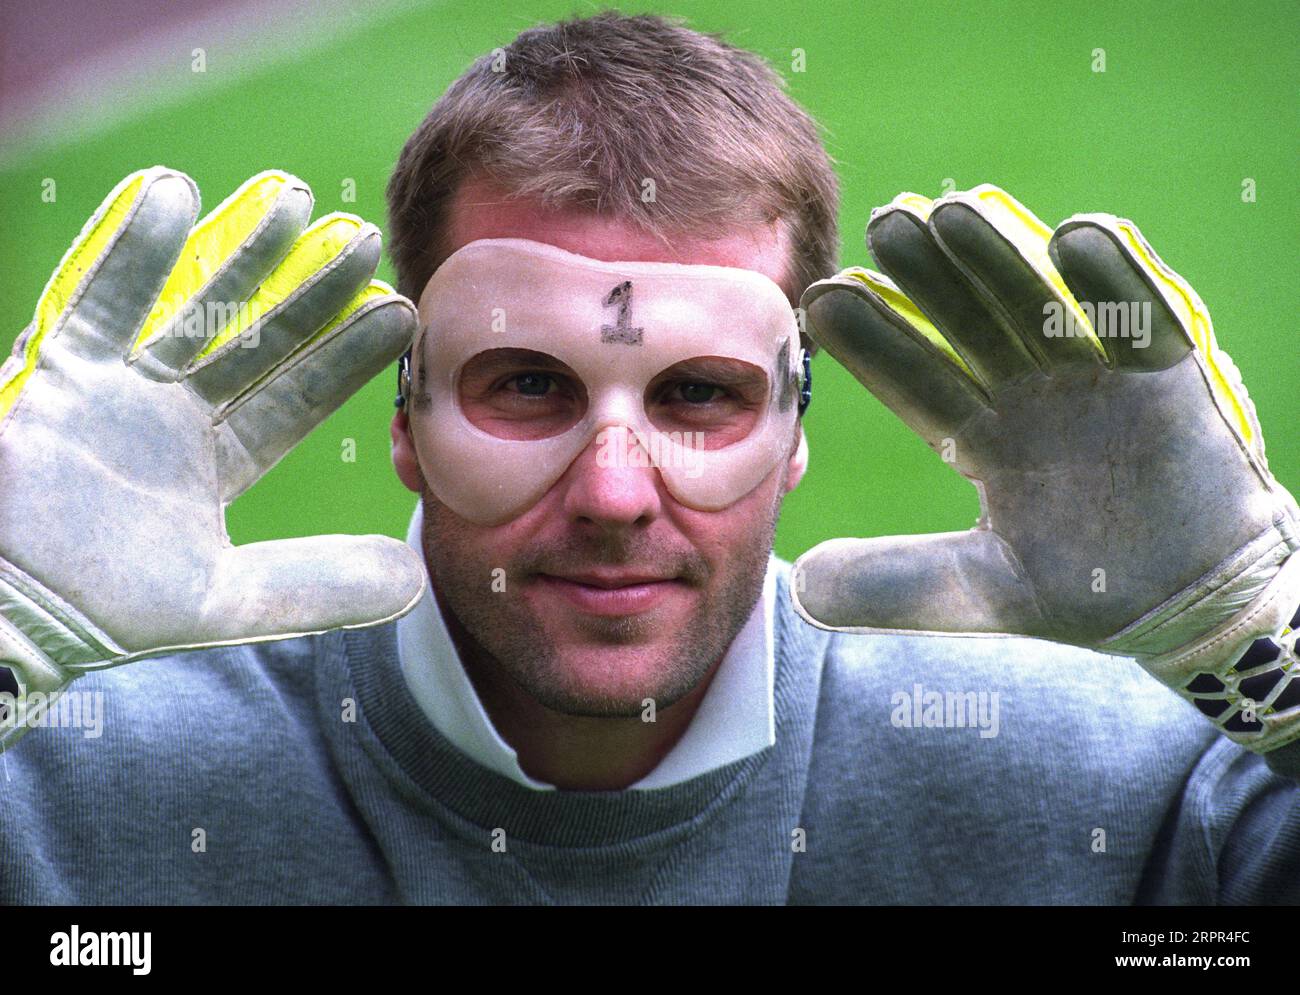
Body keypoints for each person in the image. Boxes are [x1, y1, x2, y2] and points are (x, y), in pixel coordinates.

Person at [0, 10, 1297, 905]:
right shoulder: (79, 796)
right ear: (401, 418)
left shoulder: (1110, 791)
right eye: (524, 385)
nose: (616, 495)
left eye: (698, 395)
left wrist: (1268, 651)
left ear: (795, 434)